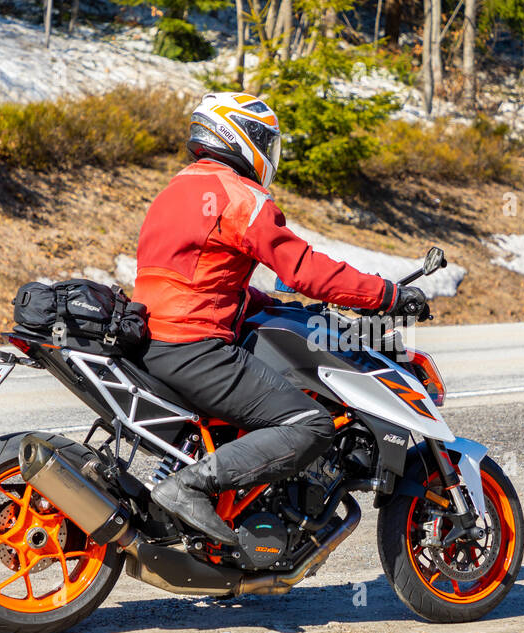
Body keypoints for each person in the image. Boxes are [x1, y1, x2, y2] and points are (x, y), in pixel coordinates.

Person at [133, 91, 428, 545]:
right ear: (241, 138)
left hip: (155, 340)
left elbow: (201, 283)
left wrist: (278, 307)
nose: (269, 153)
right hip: (194, 347)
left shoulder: (175, 191)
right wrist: (387, 294)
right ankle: (190, 485)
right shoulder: (239, 197)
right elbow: (306, 269)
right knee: (309, 424)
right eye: (265, 141)